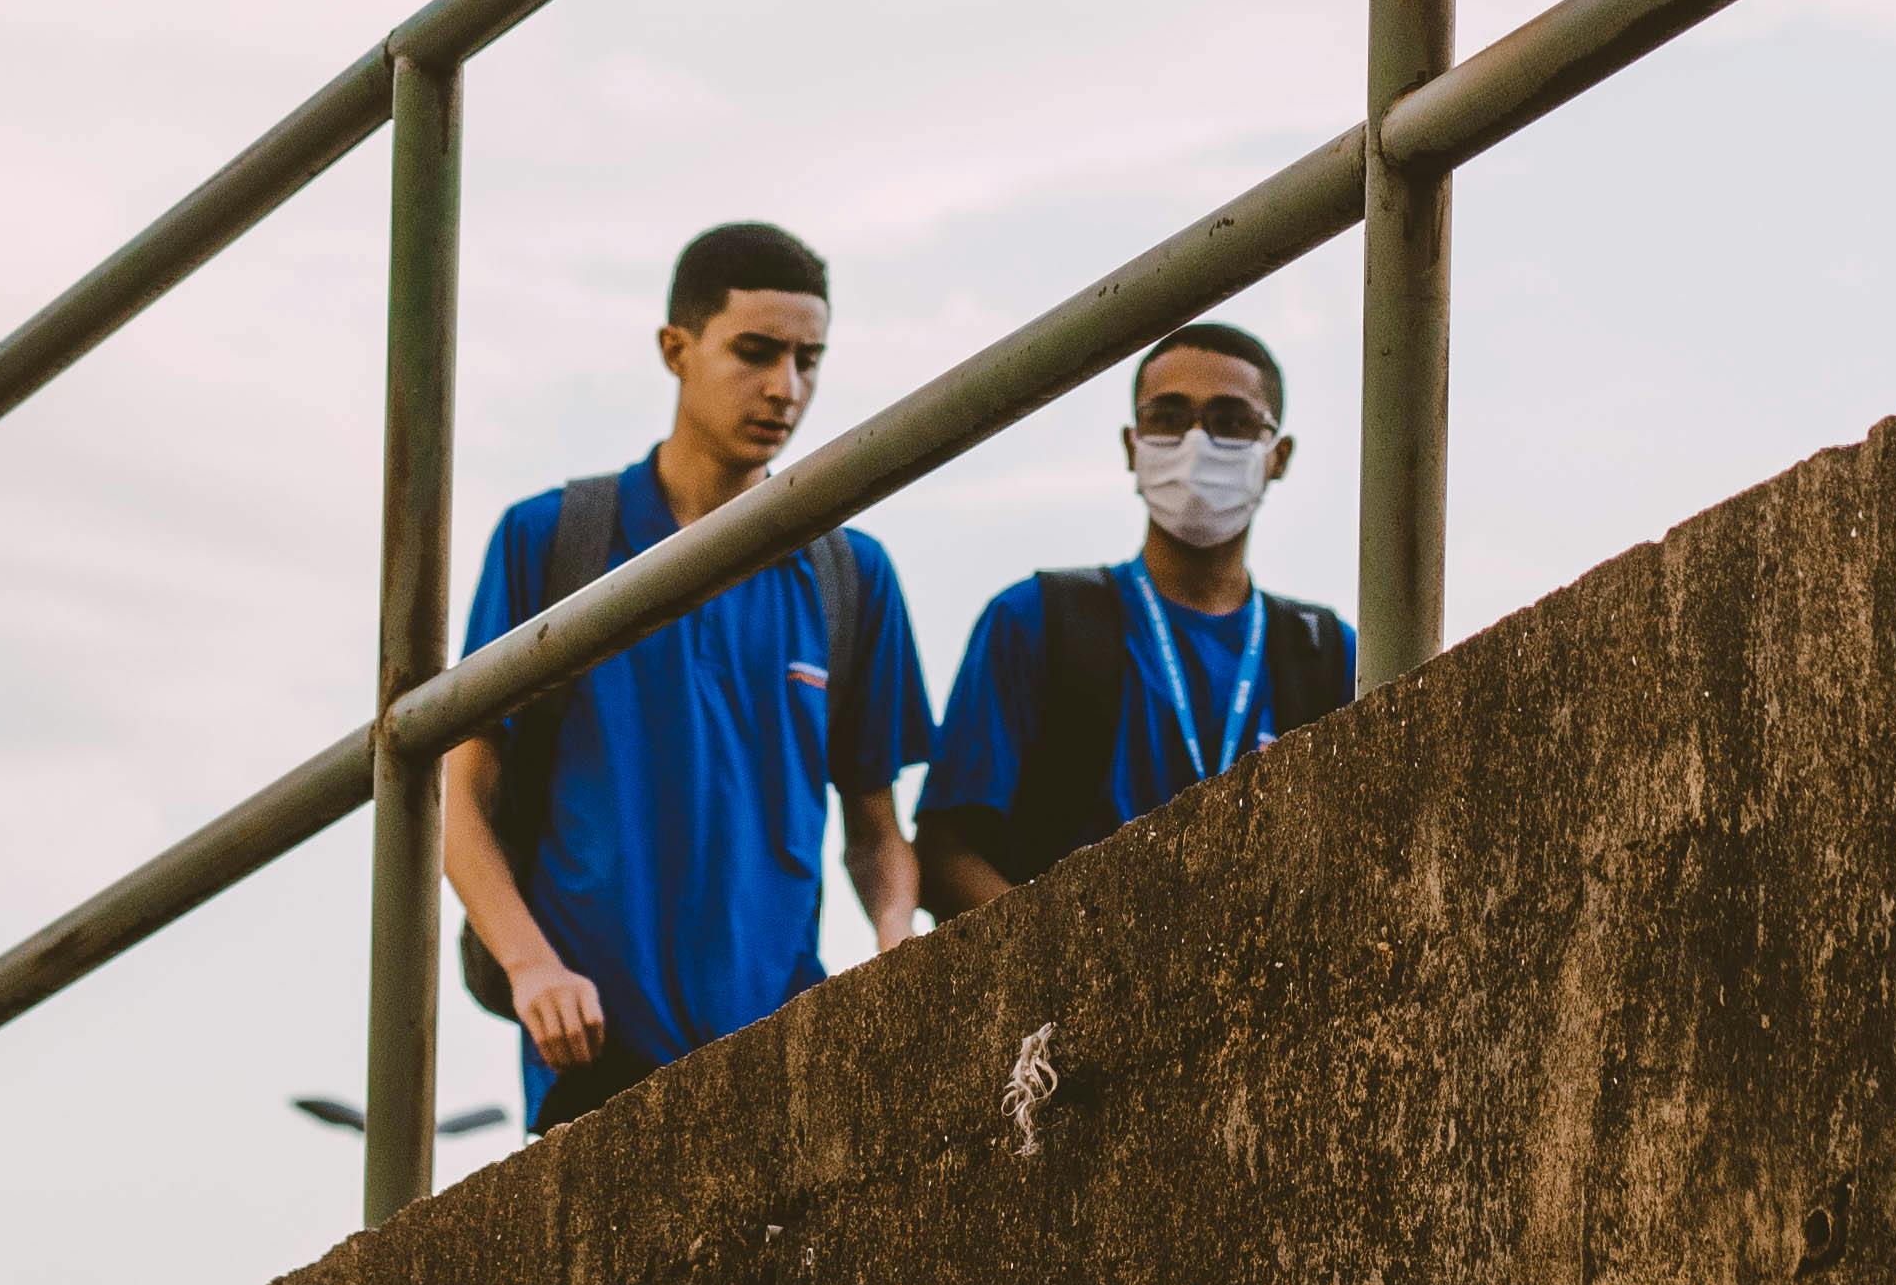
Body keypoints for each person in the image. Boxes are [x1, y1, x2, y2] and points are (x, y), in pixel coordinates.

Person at [445, 217, 932, 1130]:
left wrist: (893, 937)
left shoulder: (849, 574)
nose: (784, 388)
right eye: (754, 352)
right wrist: (529, 965)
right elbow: (459, 795)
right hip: (593, 1046)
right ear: (676, 348)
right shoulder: (553, 540)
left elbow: (876, 828)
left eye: (807, 359)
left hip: (780, 1040)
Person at [917, 321, 1350, 912]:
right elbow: (947, 851)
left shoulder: (1327, 654)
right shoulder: (1036, 621)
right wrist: (1060, 973)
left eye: (1231, 421)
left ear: (1279, 456)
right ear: (1132, 445)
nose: (1197, 442)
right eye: (1169, 417)